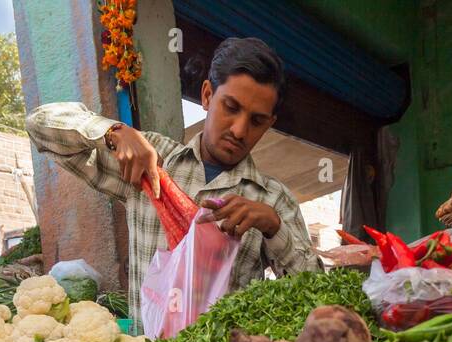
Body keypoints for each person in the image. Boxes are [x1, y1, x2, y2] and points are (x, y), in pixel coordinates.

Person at [26, 36, 322, 327]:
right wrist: (113, 132)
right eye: (231, 107)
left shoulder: (273, 200)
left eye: (256, 121)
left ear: (269, 124)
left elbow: (316, 298)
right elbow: (40, 124)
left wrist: (273, 227)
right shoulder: (150, 159)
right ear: (207, 95)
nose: (240, 129)